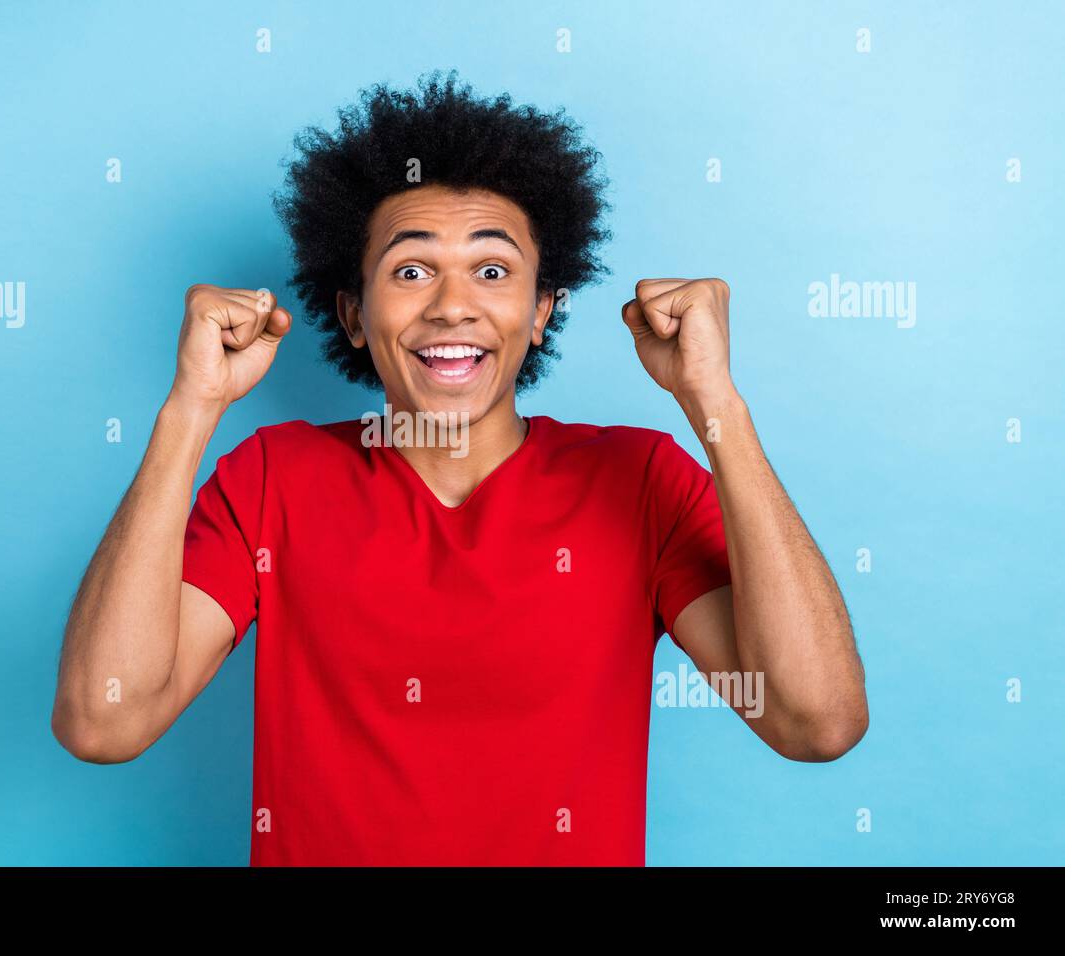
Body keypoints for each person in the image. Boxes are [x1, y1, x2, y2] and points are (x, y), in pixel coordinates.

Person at [51, 70, 868, 866]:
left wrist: (713, 401)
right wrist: (189, 410)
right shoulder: (271, 477)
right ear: (354, 315)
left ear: (542, 311)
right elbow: (104, 723)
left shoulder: (640, 478)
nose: (451, 305)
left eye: (492, 270)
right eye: (410, 271)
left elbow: (814, 721)